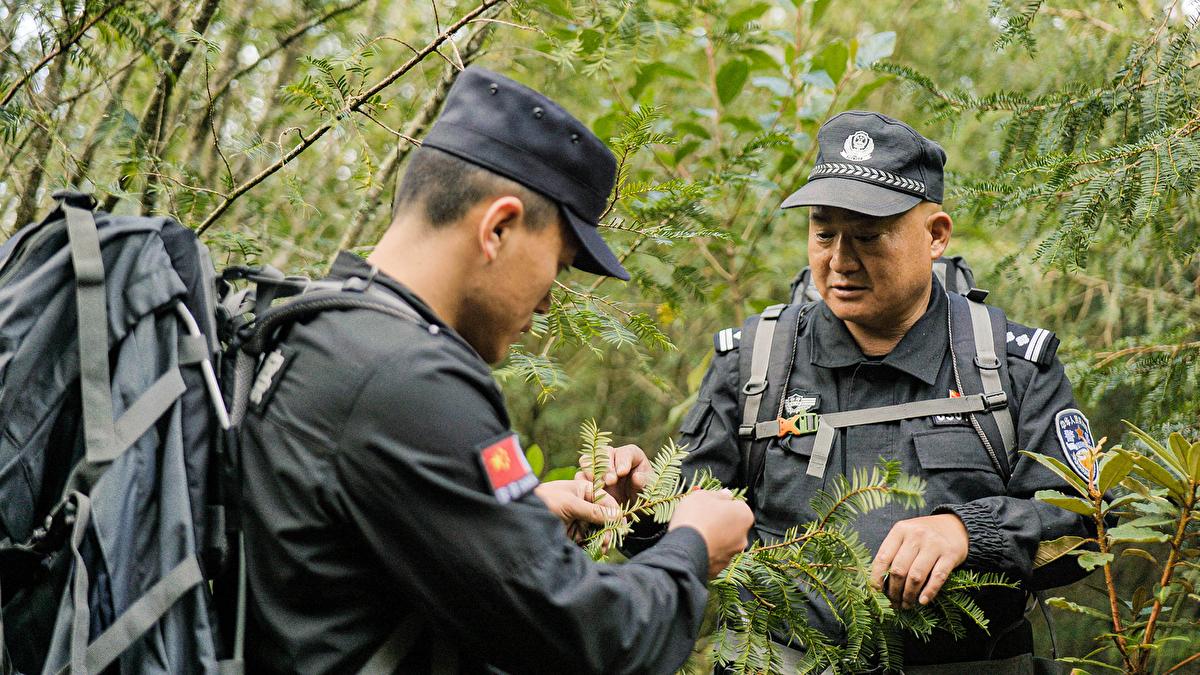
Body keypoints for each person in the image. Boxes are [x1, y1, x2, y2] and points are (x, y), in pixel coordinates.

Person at [236, 66, 754, 674]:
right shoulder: (411, 379)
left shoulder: (321, 324)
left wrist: (517, 516)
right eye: (557, 265)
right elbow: (587, 640)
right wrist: (692, 545)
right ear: (498, 227)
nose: (547, 303)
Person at [588, 111, 1097, 671]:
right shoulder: (758, 362)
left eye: (867, 236)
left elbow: (1086, 528)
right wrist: (636, 506)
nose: (839, 262)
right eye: (824, 232)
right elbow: (692, 529)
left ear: (935, 235)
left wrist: (968, 532)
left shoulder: (1008, 367)